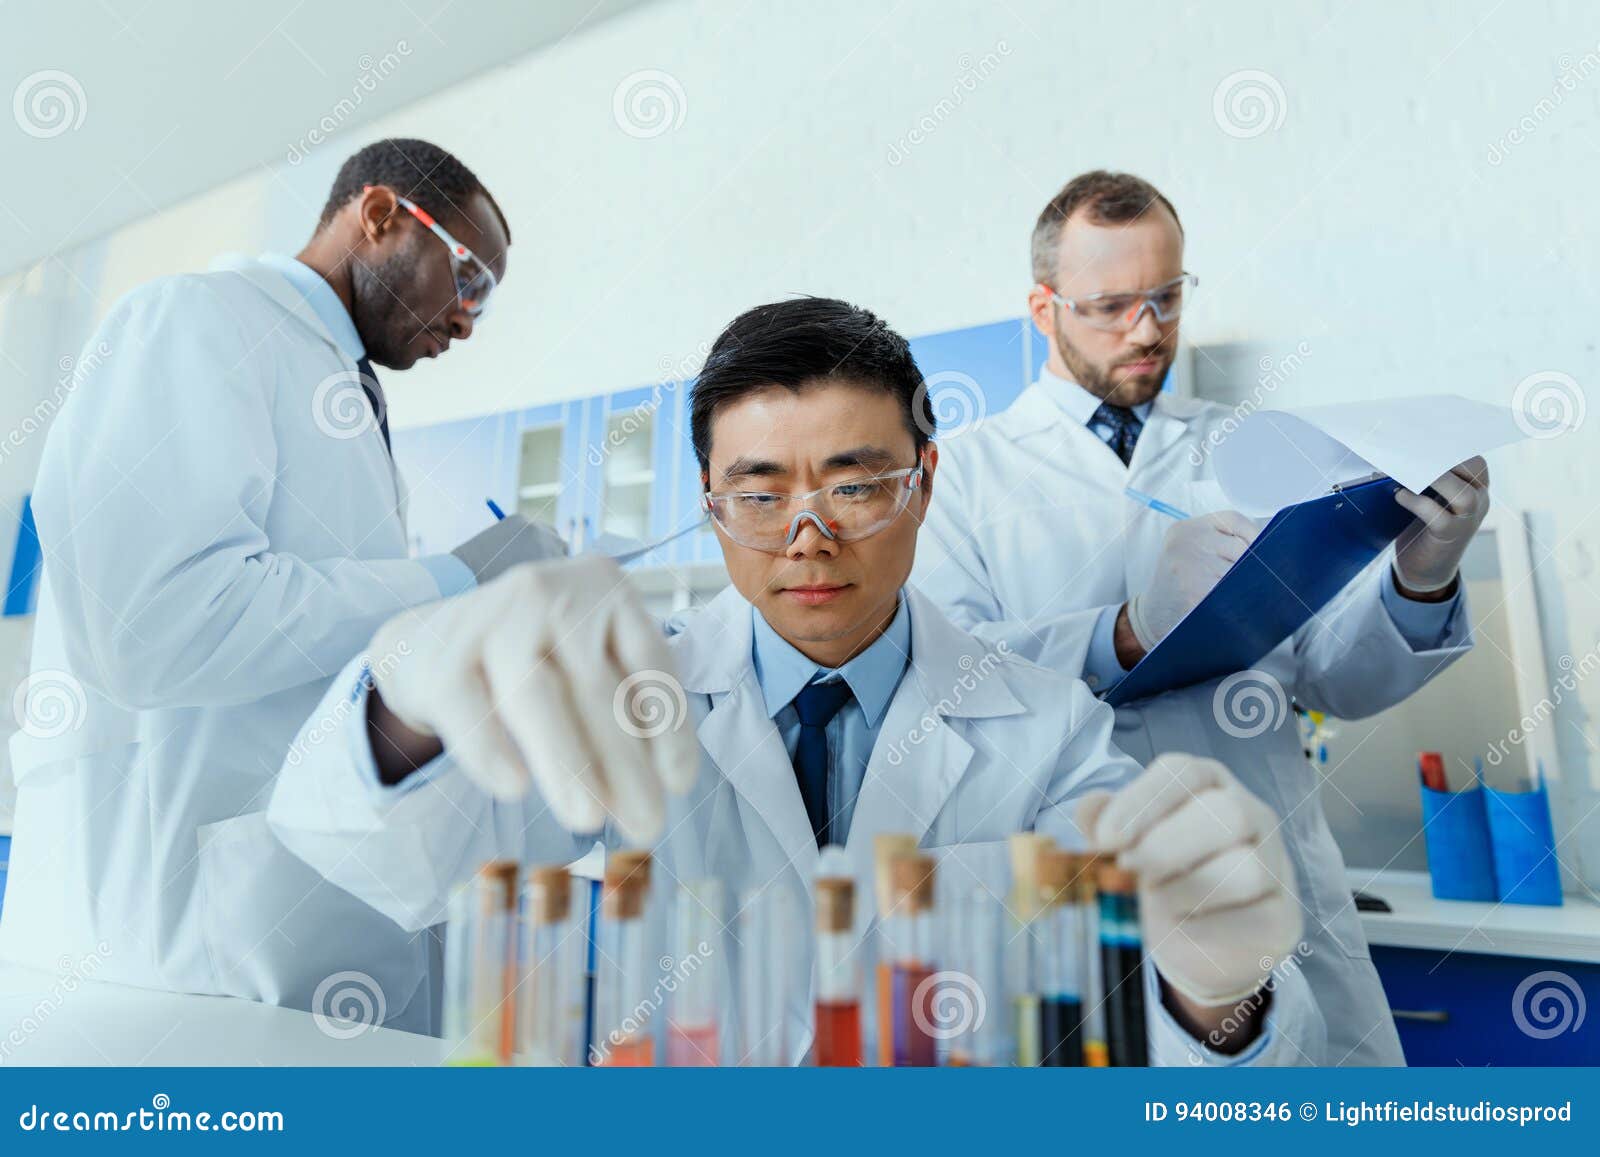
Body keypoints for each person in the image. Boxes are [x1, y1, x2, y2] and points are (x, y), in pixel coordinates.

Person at [270, 297, 1326, 1064]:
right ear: (709, 499)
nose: (808, 539)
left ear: (925, 483)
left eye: (858, 485)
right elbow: (371, 860)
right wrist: (400, 704)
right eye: (760, 493)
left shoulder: (1047, 726)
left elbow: (1139, 1034)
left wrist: (1218, 997)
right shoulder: (634, 688)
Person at [910, 171, 1490, 1065]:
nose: (1147, 329)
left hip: (1268, 889)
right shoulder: (965, 478)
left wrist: (1423, 572)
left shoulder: (1253, 446)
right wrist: (1128, 630)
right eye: (1111, 305)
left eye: (1167, 296)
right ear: (1043, 307)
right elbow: (949, 685)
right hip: (1071, 901)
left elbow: (1341, 676)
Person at [1, 139, 565, 1031]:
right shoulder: (195, 320)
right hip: (167, 951)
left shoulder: (340, 388)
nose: (464, 320)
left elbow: (318, 636)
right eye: (469, 278)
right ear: (378, 215)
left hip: (283, 938)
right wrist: (456, 579)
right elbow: (153, 626)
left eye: (482, 306)